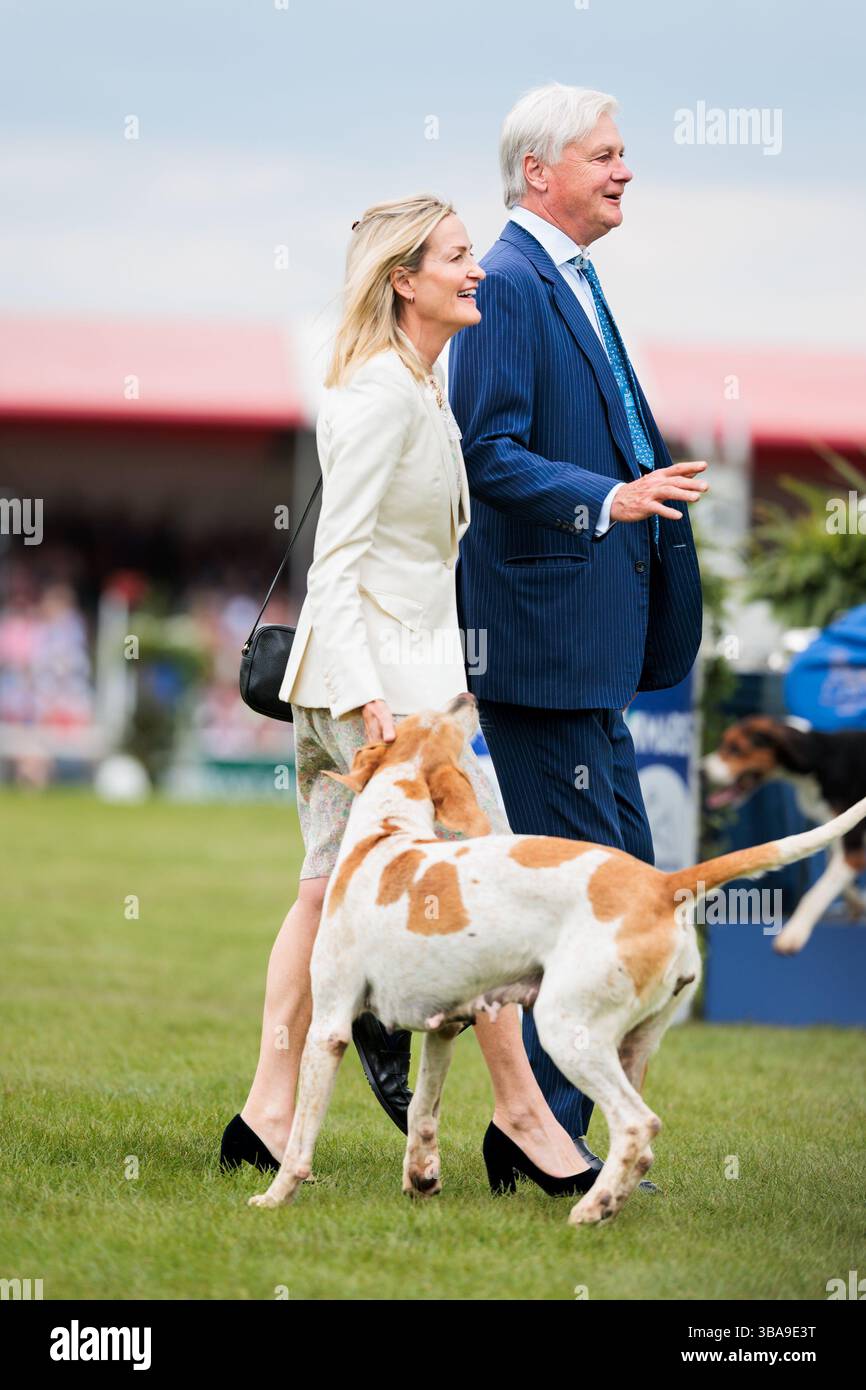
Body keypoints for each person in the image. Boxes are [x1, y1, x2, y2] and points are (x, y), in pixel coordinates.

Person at [221, 194, 598, 1194]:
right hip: (377, 701)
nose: (476, 273)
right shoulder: (386, 395)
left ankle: (263, 1115)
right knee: (477, 897)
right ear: (403, 279)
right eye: (457, 257)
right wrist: (370, 705)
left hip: (386, 693)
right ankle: (520, 1117)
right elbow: (336, 564)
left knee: (318, 892)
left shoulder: (413, 387)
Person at [448, 83, 707, 1167]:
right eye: (603, 153)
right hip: (540, 649)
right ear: (538, 172)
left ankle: (546, 1129)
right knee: (604, 908)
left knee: (625, 896)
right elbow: (487, 451)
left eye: (622, 151)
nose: (624, 169)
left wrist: (637, 486)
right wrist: (608, 498)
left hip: (588, 650)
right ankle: (534, 1138)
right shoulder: (508, 283)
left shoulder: (573, 280)